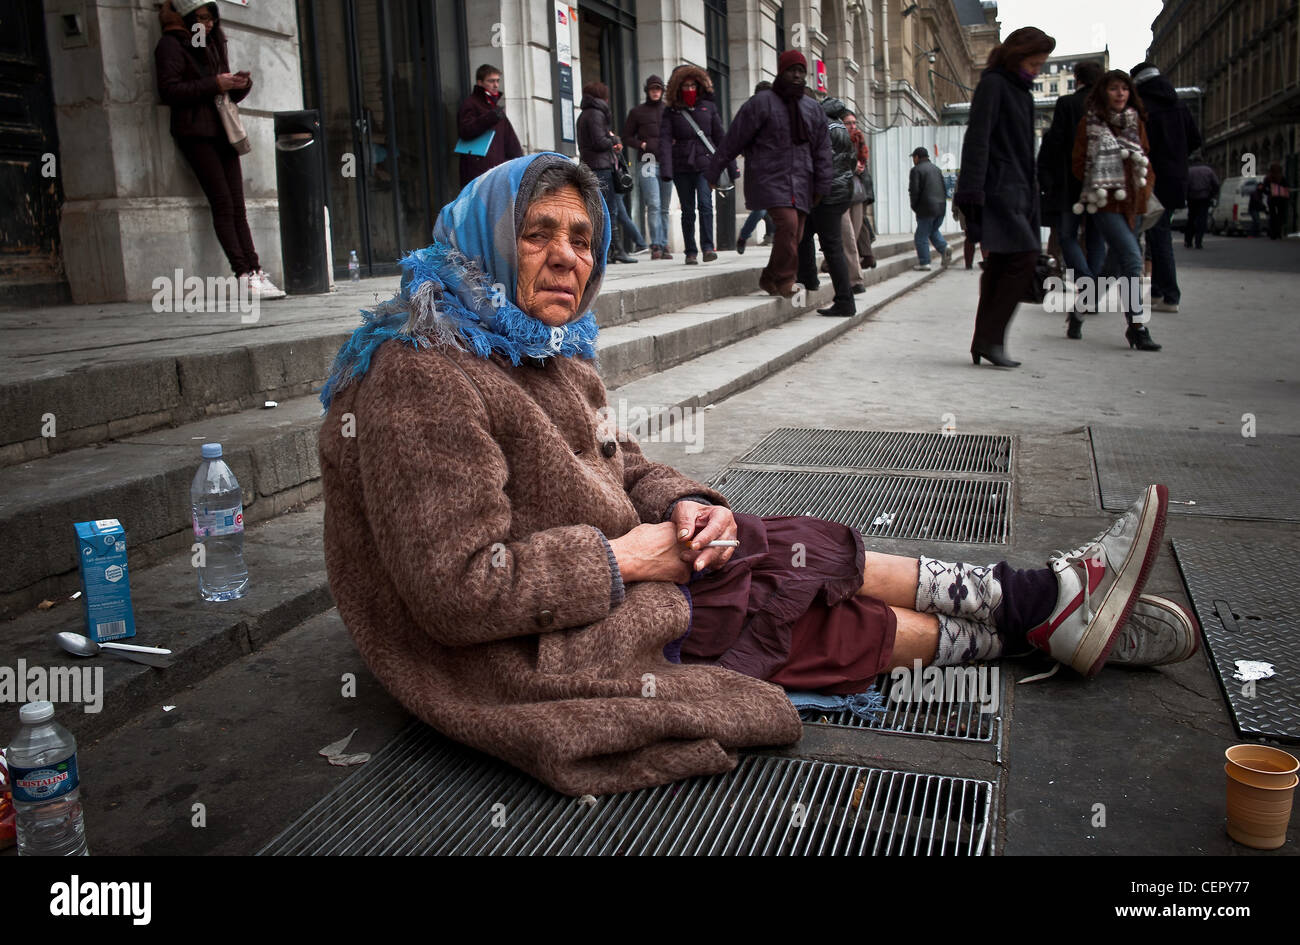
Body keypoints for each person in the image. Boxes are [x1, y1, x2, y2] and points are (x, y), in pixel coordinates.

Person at [317, 152, 1198, 797]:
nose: (566, 257)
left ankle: (1037, 604)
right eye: (538, 233)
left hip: (601, 579)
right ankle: (1036, 618)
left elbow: (623, 464)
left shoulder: (549, 352)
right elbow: (458, 590)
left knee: (775, 547)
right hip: (521, 648)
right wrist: (630, 561)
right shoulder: (420, 373)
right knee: (771, 609)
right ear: (485, 236)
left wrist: (690, 511)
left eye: (583, 239)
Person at [154, 0, 283, 299]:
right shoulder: (170, 45)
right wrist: (215, 83)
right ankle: (243, 274)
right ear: (186, 16)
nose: (208, 24)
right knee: (223, 204)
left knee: (238, 205)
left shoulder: (213, 41)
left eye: (211, 18)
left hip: (223, 131)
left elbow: (223, 92)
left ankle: (256, 270)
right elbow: (169, 90)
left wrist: (238, 84)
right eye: (201, 18)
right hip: (195, 133)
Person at [955, 26, 1057, 368]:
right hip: (998, 190)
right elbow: (977, 140)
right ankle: (989, 338)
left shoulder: (1022, 93)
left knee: (1000, 264)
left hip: (1019, 192)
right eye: (1034, 62)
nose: (1036, 70)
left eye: (1041, 64)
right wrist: (971, 194)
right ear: (1017, 56)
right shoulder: (994, 85)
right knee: (1023, 258)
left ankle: (985, 340)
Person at [706, 51, 830, 295]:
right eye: (792, 70)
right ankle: (785, 280)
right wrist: (714, 172)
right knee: (788, 225)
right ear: (781, 71)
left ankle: (769, 277)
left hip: (803, 181)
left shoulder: (812, 109)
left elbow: (823, 150)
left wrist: (822, 185)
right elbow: (733, 139)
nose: (796, 75)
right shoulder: (761, 103)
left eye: (801, 71)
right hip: (770, 177)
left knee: (797, 233)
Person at [1072, 70, 1160, 352]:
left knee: (1112, 269)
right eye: (1114, 88)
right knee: (1133, 259)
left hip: (1133, 204)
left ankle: (1078, 312)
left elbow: (1145, 162)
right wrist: (1100, 181)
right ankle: (1137, 327)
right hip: (1104, 203)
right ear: (1103, 92)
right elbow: (1078, 162)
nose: (1120, 93)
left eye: (1124, 88)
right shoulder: (1090, 124)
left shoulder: (1137, 123)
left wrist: (1143, 193)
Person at [1037, 59, 1106, 339]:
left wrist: (1045, 176)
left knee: (1067, 235)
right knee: (1096, 238)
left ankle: (1086, 280)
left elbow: (1054, 143)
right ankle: (1092, 288)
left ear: (1076, 78)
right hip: (1103, 183)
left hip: (1070, 183)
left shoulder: (1067, 104)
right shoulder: (1106, 104)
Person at [1131, 62, 1201, 314]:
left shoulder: (1143, 108)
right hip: (1176, 178)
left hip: (1153, 177)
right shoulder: (1179, 105)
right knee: (1159, 232)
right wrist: (1178, 158)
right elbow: (1195, 140)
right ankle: (1159, 291)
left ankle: (1170, 295)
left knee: (1158, 235)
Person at [659, 65, 734, 264]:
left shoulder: (708, 107)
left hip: (705, 165)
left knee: (705, 204)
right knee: (688, 210)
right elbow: (665, 140)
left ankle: (708, 247)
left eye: (693, 85)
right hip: (681, 166)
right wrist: (666, 170)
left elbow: (720, 137)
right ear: (678, 88)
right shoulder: (671, 111)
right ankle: (690, 251)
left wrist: (731, 166)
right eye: (685, 86)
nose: (690, 89)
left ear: (699, 86)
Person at [578, 81, 646, 265]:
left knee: (602, 210)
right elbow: (599, 142)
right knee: (610, 210)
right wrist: (614, 139)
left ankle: (609, 251)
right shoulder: (596, 114)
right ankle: (615, 250)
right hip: (601, 167)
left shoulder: (585, 114)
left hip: (591, 165)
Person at [622, 75, 673, 259]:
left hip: (667, 162)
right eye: (652, 89)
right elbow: (626, 136)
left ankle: (665, 243)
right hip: (647, 159)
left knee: (665, 207)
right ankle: (656, 245)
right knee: (653, 204)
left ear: (662, 91)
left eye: (658, 89)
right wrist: (642, 145)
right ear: (647, 90)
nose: (655, 92)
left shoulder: (669, 110)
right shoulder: (637, 112)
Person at [456, 63, 523, 188]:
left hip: (497, 172)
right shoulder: (470, 104)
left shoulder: (496, 109)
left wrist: (519, 166)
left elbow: (511, 143)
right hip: (477, 173)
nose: (496, 85)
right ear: (480, 82)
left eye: (497, 81)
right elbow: (465, 130)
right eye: (491, 81)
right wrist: (489, 118)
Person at [844, 112, 876, 274]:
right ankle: (867, 256)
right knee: (855, 227)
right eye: (849, 123)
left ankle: (850, 266)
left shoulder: (857, 140)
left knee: (853, 229)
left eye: (854, 122)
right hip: (851, 190)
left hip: (859, 190)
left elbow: (861, 166)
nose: (853, 126)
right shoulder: (845, 140)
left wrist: (854, 166)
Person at [908, 147, 950, 271]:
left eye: (913, 158)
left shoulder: (916, 170)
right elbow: (944, 188)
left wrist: (914, 206)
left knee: (920, 236)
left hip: (926, 207)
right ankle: (945, 248)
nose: (913, 160)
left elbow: (914, 191)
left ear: (917, 157)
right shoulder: (936, 169)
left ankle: (924, 262)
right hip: (941, 207)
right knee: (932, 230)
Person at [1184, 156, 1220, 249]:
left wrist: (1187, 196)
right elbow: (1216, 184)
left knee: (1191, 219)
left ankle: (1188, 241)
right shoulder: (1208, 170)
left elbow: (1184, 184)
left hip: (1192, 198)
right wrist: (1211, 194)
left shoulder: (1189, 171)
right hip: (1204, 198)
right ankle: (1198, 242)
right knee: (1202, 220)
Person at [1264, 162, 1290, 240]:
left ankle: (1273, 234)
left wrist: (1269, 192)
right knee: (1280, 216)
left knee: (1273, 216)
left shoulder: (1268, 178)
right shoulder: (1282, 178)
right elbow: (1286, 187)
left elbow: (1264, 189)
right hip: (1281, 199)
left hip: (1272, 199)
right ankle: (1278, 232)